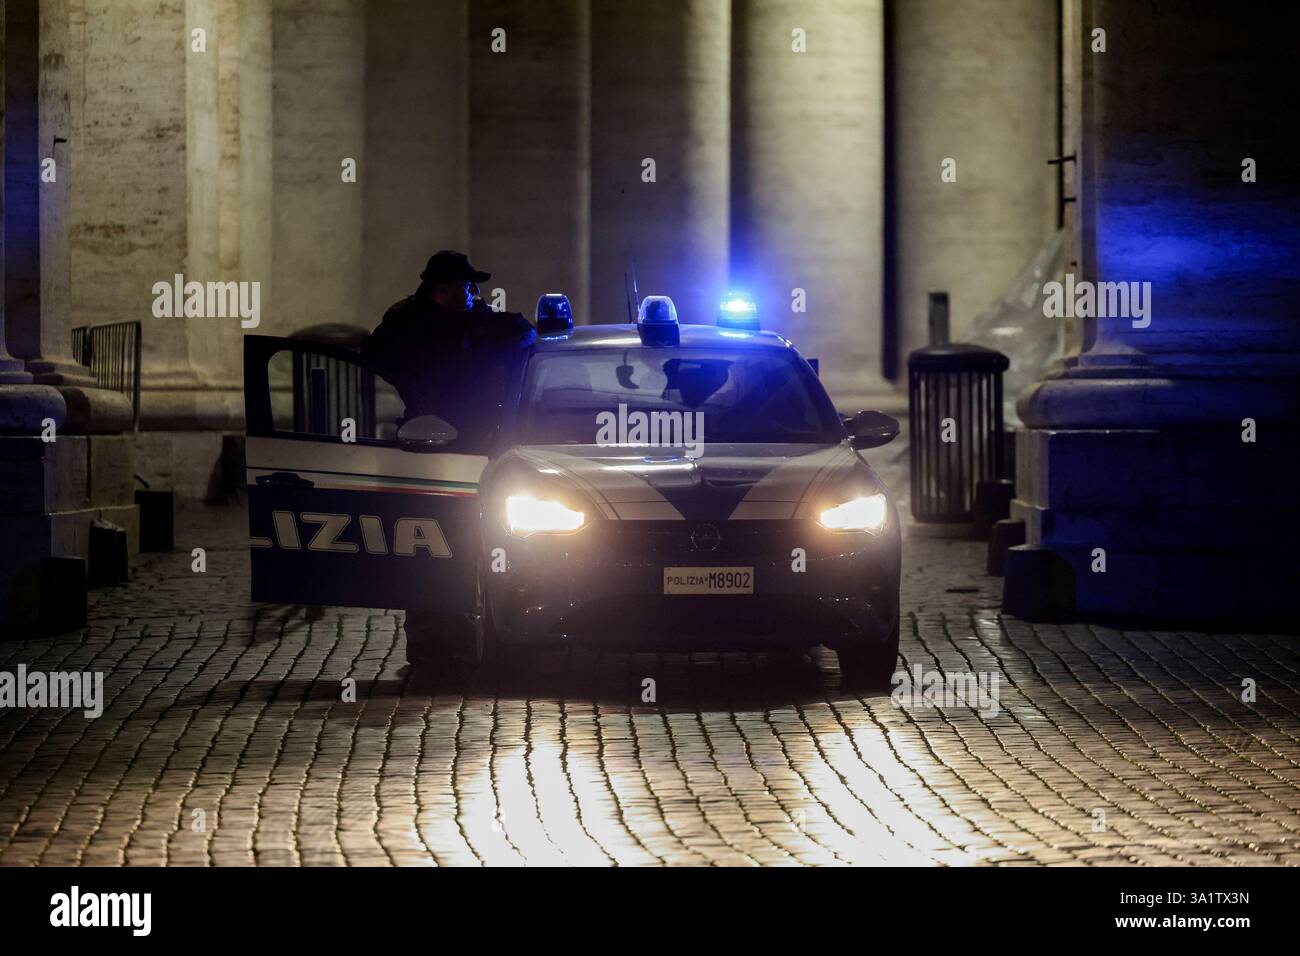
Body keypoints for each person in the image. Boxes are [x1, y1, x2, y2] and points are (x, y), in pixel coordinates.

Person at [361, 250, 535, 452]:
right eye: (466, 284)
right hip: (424, 433)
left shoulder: (479, 316)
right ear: (442, 290)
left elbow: (525, 331)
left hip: (479, 434)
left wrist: (491, 355)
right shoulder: (405, 323)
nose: (475, 289)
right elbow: (372, 355)